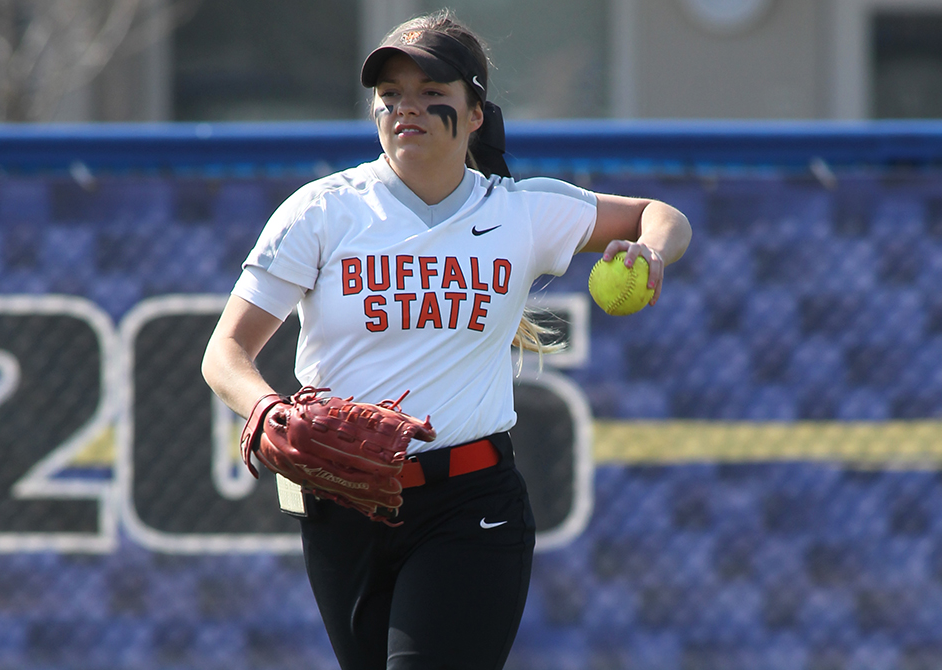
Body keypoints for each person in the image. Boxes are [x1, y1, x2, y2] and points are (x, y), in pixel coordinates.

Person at [201, 9, 691, 670]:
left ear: (476, 113)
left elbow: (663, 215)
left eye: (434, 95)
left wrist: (652, 249)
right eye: (392, 95)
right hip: (343, 503)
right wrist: (266, 408)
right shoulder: (323, 211)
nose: (410, 109)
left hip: (469, 502)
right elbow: (225, 354)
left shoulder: (518, 212)